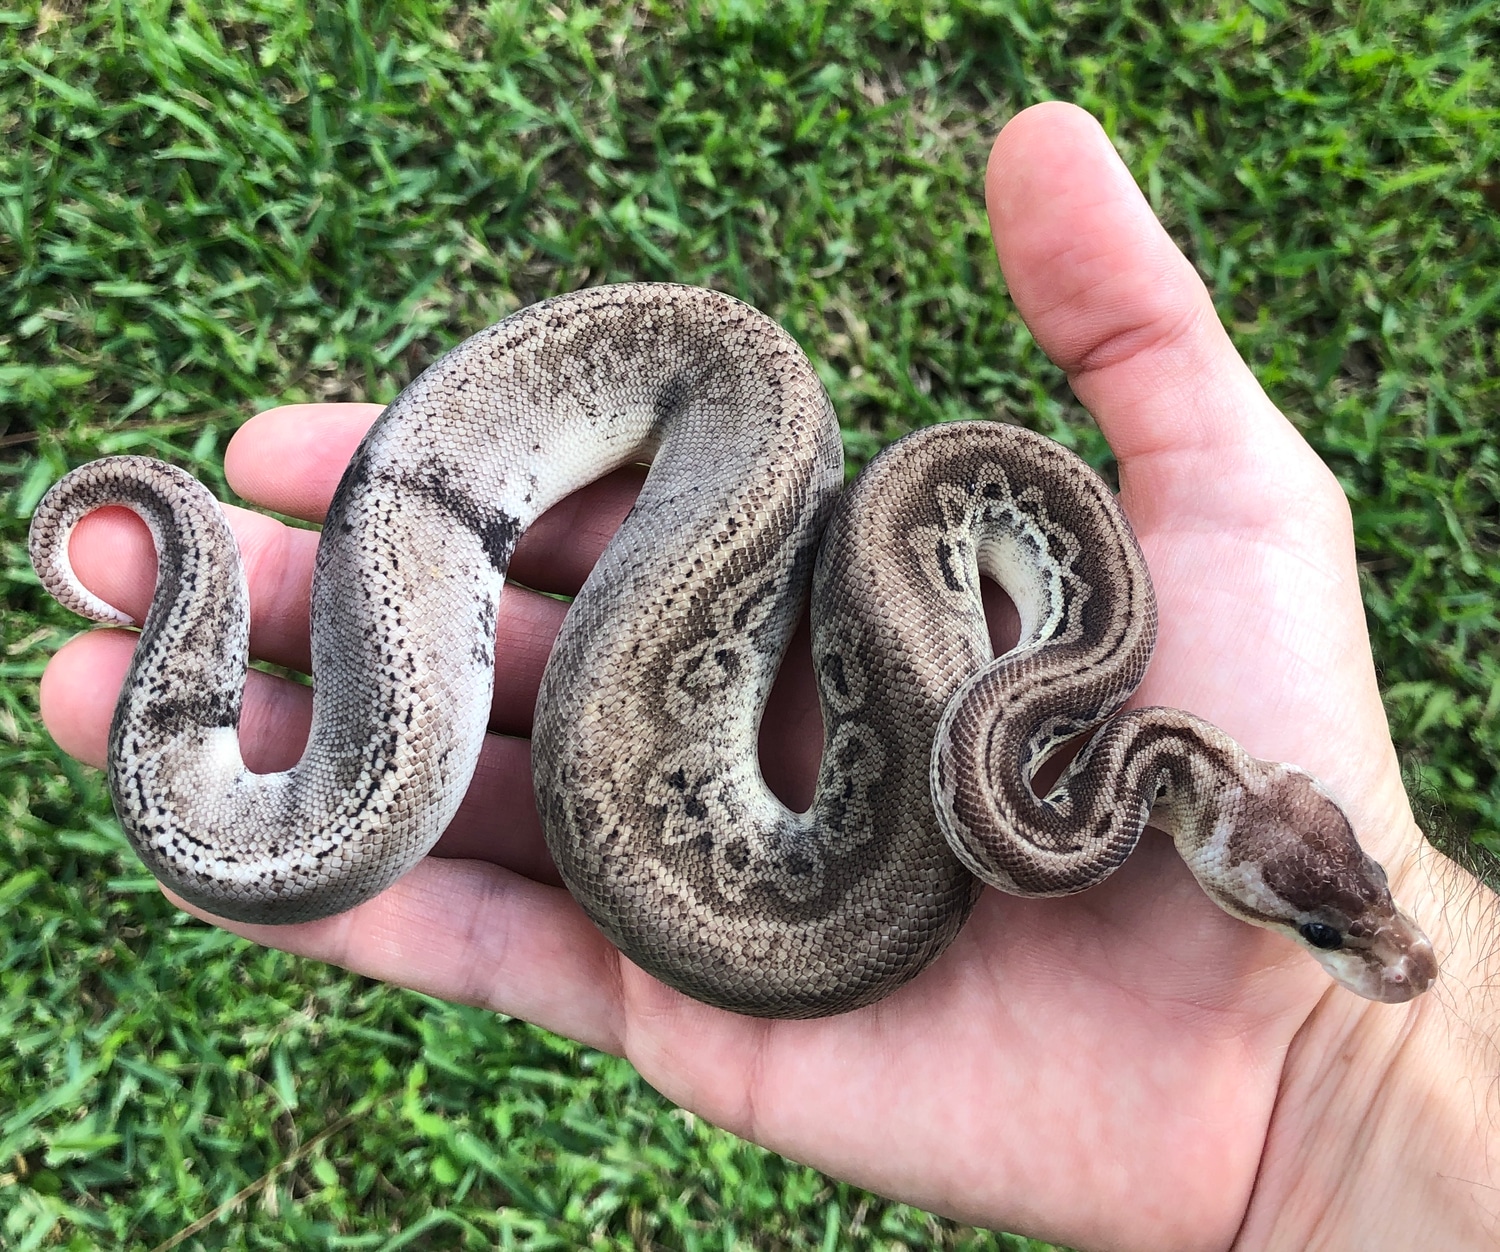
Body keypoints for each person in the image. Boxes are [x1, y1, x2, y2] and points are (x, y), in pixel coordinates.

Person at [38, 102, 1499, 1250]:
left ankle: (212, 557)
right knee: (750, 403)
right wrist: (1339, 1106)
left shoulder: (1071, 699)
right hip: (703, 410)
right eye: (1336, 921)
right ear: (1246, 824)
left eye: (1327, 932)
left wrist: (1346, 1099)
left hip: (749, 810)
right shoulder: (1065, 675)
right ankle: (198, 538)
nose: (1370, 949)